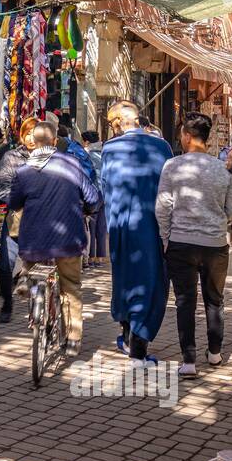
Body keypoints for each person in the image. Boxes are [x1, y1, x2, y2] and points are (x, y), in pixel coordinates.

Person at [8, 117, 100, 357]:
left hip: (34, 241)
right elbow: (93, 199)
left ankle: (26, 281)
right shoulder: (72, 164)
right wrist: (87, 210)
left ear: (35, 142)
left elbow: (13, 202)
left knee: (31, 263)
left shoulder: (25, 171)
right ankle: (72, 340)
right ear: (55, 140)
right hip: (68, 240)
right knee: (71, 288)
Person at [156, 112, 232, 376]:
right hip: (215, 244)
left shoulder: (172, 166)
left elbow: (163, 207)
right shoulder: (222, 169)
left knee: (185, 301)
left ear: (188, 137)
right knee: (214, 300)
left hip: (181, 243)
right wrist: (218, 225)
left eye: (182, 134)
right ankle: (215, 354)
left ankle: (189, 361)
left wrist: (165, 237)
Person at [100, 101, 173, 364]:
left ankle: (127, 332)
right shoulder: (162, 146)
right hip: (152, 226)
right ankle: (138, 346)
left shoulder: (109, 148)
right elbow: (169, 189)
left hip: (120, 225)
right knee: (151, 281)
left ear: (118, 123)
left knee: (123, 277)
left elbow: (105, 187)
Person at [0, 117, 39, 323]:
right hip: (16, 217)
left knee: (39, 263)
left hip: (41, 219)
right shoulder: (11, 157)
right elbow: (2, 186)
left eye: (34, 133)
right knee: (5, 264)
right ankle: (6, 303)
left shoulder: (47, 158)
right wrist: (21, 201)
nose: (30, 137)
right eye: (27, 133)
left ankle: (37, 308)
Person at [81, 130, 107, 265]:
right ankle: (101, 256)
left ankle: (91, 256)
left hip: (92, 191)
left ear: (86, 141)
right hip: (105, 191)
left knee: (91, 224)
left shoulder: (85, 153)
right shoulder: (104, 152)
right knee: (102, 225)